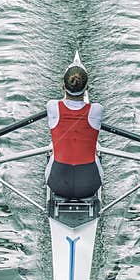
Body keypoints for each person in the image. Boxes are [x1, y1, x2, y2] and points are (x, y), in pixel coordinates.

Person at [46, 53, 103, 200]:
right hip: (89, 186)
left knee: (52, 149)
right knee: (95, 150)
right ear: (87, 88)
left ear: (63, 87)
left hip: (58, 184)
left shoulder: (52, 106)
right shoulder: (97, 109)